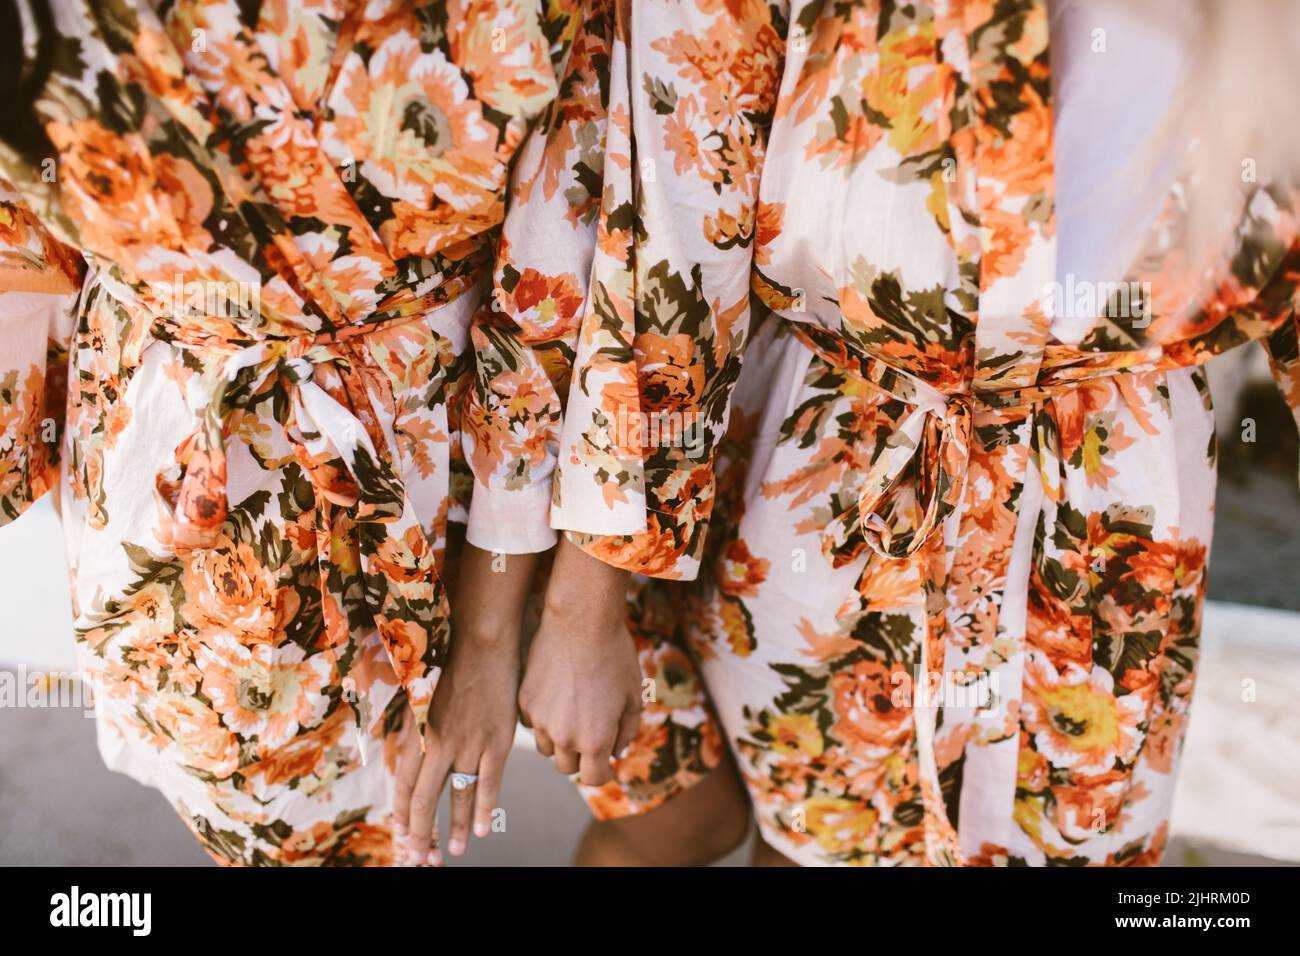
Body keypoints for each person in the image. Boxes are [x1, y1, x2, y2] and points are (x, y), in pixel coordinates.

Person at [452, 0, 1300, 866]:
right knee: (816, 845)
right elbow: (674, 220)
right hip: (841, 464)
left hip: (1117, 512)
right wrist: (584, 605)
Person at [0, 0, 572, 866]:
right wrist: (56, 456)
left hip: (469, 456)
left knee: (460, 796)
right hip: (178, 462)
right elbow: (20, 214)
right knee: (277, 834)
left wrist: (491, 634)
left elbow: (564, 229)